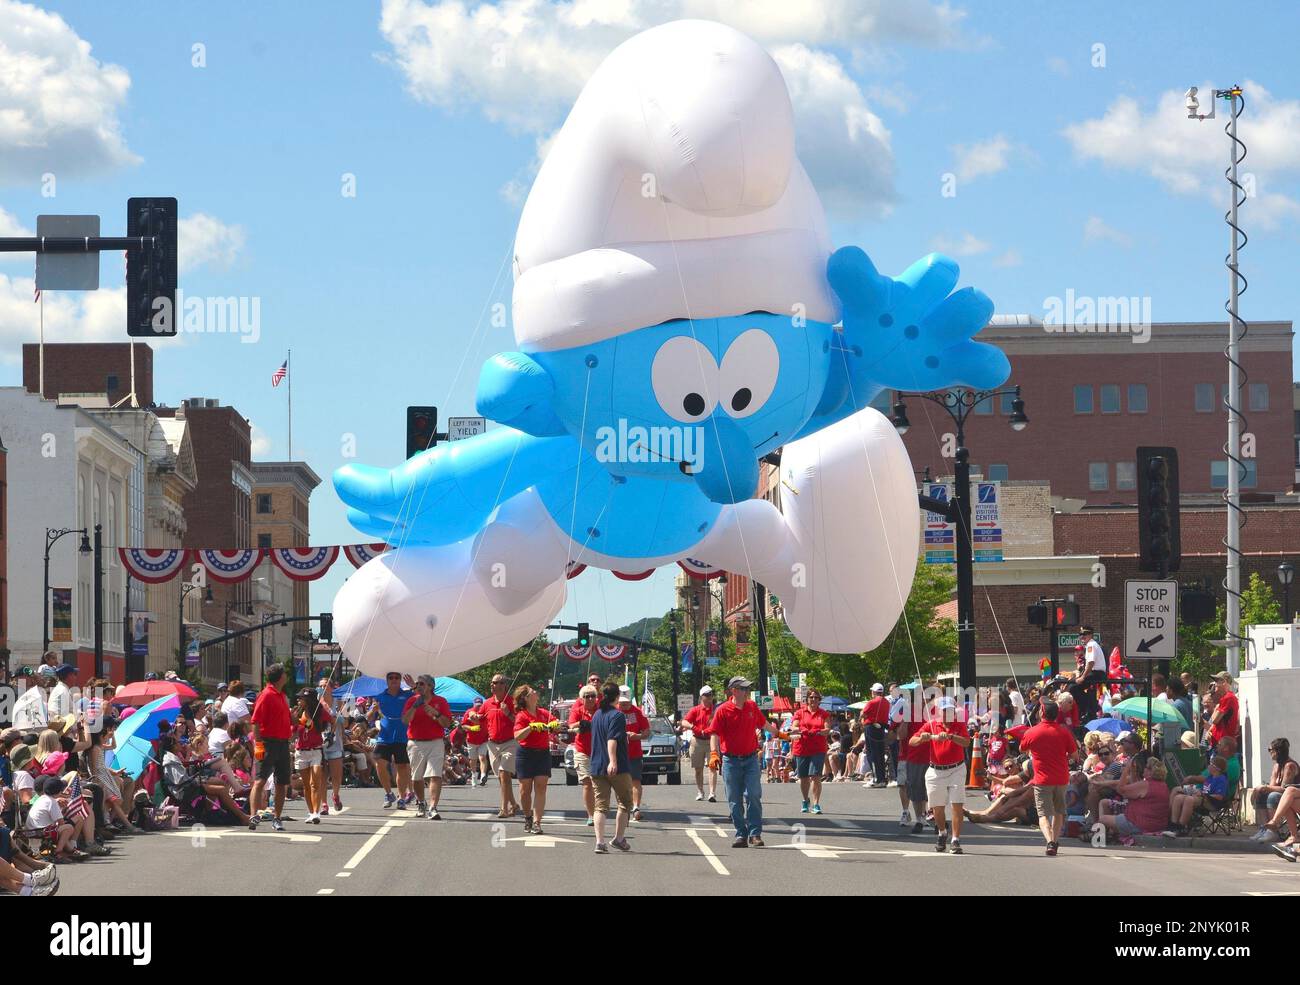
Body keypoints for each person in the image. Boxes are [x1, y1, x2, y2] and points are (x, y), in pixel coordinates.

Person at [709, 677, 780, 848]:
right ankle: (741, 833)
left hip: (750, 759)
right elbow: (714, 734)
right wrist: (713, 753)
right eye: (743, 689)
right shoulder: (722, 710)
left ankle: (755, 834)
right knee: (734, 799)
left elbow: (764, 725)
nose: (747, 692)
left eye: (747, 689)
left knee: (754, 795)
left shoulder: (751, 707)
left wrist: (781, 734)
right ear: (733, 690)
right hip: (730, 760)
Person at [910, 696, 970, 854]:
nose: (948, 714)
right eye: (945, 711)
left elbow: (966, 742)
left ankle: (955, 839)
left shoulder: (959, 724)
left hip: (956, 769)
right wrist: (922, 738)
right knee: (937, 807)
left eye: (950, 710)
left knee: (957, 804)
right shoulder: (931, 724)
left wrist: (950, 736)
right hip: (936, 770)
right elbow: (912, 741)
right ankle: (942, 832)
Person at [1019, 699, 1078, 856]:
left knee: (1043, 814)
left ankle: (1050, 842)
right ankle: (1054, 840)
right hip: (1061, 778)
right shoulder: (1064, 731)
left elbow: (1022, 748)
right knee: (1059, 811)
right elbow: (1074, 755)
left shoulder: (1032, 732)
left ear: (1041, 713)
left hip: (1042, 780)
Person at [589, 682, 633, 853]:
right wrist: (613, 761)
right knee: (625, 802)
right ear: (617, 697)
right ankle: (619, 838)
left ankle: (600, 842)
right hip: (617, 767)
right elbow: (612, 739)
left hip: (596, 765)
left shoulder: (597, 715)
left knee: (600, 806)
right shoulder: (617, 716)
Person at [248, 664, 292, 832]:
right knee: (260, 780)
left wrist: (304, 719)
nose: (286, 676)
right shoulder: (266, 695)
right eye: (285, 674)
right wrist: (258, 744)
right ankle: (253, 815)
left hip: (282, 743)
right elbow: (255, 721)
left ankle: (277, 818)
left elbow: (290, 719)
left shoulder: (282, 696)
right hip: (268, 742)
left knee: (281, 783)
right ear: (280, 677)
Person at [403, 674, 453, 819]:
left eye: (422, 684)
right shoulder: (412, 700)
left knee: (435, 775)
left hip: (435, 742)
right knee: (417, 777)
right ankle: (421, 802)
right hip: (415, 743)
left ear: (430, 686)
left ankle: (433, 807)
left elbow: (447, 723)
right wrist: (414, 707)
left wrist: (436, 714)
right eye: (417, 684)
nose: (418, 686)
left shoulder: (440, 701)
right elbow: (405, 721)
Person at [512, 685, 555, 834]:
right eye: (532, 692)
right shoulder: (522, 715)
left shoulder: (543, 713)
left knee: (541, 786)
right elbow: (517, 736)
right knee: (525, 790)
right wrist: (530, 727)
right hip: (526, 754)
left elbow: (555, 724)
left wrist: (555, 725)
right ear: (526, 698)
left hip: (542, 753)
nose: (536, 693)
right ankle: (528, 816)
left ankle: (537, 822)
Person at [370, 672, 415, 809]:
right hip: (384, 737)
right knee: (379, 763)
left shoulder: (407, 695)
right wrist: (373, 710)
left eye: (396, 678)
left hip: (402, 737)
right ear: (387, 680)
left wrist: (413, 685)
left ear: (400, 680)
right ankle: (389, 793)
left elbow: (424, 697)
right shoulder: (380, 697)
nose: (394, 680)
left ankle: (401, 798)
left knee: (401, 767)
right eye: (391, 678)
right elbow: (369, 717)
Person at [1098, 758, 1170, 841]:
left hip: (1139, 824)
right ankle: (1110, 835)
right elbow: (1134, 787)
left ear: (1151, 772)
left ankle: (1099, 838)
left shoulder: (1146, 784)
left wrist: (1126, 770)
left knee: (1102, 819)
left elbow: (1121, 790)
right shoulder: (1163, 785)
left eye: (1146, 767)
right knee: (1108, 807)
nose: (1144, 769)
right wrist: (1132, 770)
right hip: (1156, 824)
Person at [482, 674, 522, 819]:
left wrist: (508, 713)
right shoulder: (487, 703)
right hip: (492, 744)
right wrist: (474, 715)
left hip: (509, 743)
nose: (492, 685)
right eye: (492, 682)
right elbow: (480, 717)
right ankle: (514, 804)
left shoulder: (512, 702)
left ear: (504, 685)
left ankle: (503, 808)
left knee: (504, 774)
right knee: (502, 777)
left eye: (496, 683)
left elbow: (520, 722)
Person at [293, 687, 332, 824]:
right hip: (301, 751)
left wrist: (329, 735)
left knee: (315, 782)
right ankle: (310, 812)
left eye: (301, 698)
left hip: (316, 750)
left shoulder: (320, 712)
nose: (298, 701)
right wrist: (293, 721)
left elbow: (333, 722)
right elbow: (292, 732)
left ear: (308, 700)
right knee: (306, 785)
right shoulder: (297, 713)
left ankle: (316, 812)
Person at [1250, 738, 1299, 843]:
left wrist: (1265, 787)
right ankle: (1264, 828)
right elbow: (1272, 786)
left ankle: (1273, 831)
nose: (1269, 752)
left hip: (1291, 798)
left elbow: (1284, 789)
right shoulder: (1277, 766)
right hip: (1285, 795)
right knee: (1262, 795)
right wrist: (1261, 789)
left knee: (1273, 796)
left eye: (1270, 749)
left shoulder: (1289, 766)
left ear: (1277, 751)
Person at [791, 688, 831, 814]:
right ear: (807, 699)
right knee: (803, 777)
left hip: (818, 748)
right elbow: (794, 726)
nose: (813, 699)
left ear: (819, 700)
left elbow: (827, 729)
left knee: (815, 776)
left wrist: (818, 732)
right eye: (811, 697)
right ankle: (805, 800)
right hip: (801, 748)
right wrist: (801, 730)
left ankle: (816, 803)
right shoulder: (799, 712)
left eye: (816, 698)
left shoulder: (824, 714)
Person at [1167, 756, 1230, 835]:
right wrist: (1196, 790)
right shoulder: (1210, 777)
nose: (1208, 766)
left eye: (1211, 764)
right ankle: (1173, 825)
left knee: (1189, 799)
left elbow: (1219, 796)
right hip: (1202, 798)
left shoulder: (1221, 779)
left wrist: (1203, 794)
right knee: (1178, 797)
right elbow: (1205, 789)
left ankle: (1182, 827)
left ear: (1217, 768)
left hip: (1212, 803)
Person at [895, 690, 929, 834]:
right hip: (911, 757)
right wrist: (906, 721)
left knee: (927, 789)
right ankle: (915, 816)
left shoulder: (931, 713)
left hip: (930, 756)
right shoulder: (906, 714)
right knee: (912, 787)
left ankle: (925, 815)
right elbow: (900, 735)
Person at [617, 687, 651, 821]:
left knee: (635, 780)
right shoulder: (614, 711)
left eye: (626, 703)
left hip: (634, 753)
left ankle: (636, 806)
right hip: (618, 753)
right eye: (622, 703)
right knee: (620, 782)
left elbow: (647, 731)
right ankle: (624, 806)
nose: (624, 705)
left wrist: (637, 736)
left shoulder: (637, 712)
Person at [568, 685, 599, 825]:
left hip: (599, 751)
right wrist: (581, 724)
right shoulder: (578, 710)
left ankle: (599, 811)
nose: (591, 698)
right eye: (587, 696)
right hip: (582, 750)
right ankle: (591, 815)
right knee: (587, 783)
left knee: (598, 783)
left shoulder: (601, 710)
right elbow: (571, 726)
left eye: (593, 695)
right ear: (582, 699)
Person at [682, 686, 718, 802]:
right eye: (706, 695)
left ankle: (712, 793)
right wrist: (693, 727)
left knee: (712, 766)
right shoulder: (695, 710)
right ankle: (700, 791)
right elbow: (684, 721)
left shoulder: (716, 710)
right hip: (697, 741)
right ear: (701, 697)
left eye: (711, 695)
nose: (709, 697)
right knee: (698, 769)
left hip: (711, 740)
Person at [318, 678, 345, 815]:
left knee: (336, 775)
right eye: (320, 686)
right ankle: (324, 804)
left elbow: (344, 724)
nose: (323, 688)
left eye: (325, 685)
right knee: (322, 775)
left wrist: (340, 719)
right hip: (320, 743)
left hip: (335, 743)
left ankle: (335, 795)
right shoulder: (316, 703)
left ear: (331, 688)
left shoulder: (337, 702)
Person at [861, 683, 890, 787]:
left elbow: (862, 714)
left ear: (874, 691)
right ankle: (881, 778)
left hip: (871, 728)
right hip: (881, 728)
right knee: (879, 754)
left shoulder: (872, 702)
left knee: (872, 754)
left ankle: (876, 779)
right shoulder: (886, 702)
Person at [1207, 672, 1240, 753]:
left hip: (1223, 747)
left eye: (1217, 681)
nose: (1215, 684)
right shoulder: (1227, 698)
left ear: (1224, 682)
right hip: (1221, 745)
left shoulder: (1228, 698)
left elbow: (1214, 720)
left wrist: (1216, 708)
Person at [461, 696, 490, 786]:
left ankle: (483, 775)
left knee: (482, 757)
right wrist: (471, 728)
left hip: (483, 740)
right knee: (473, 760)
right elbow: (463, 725)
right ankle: (473, 775)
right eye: (477, 705)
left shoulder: (485, 713)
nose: (479, 707)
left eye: (480, 705)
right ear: (474, 704)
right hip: (471, 740)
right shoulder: (469, 712)